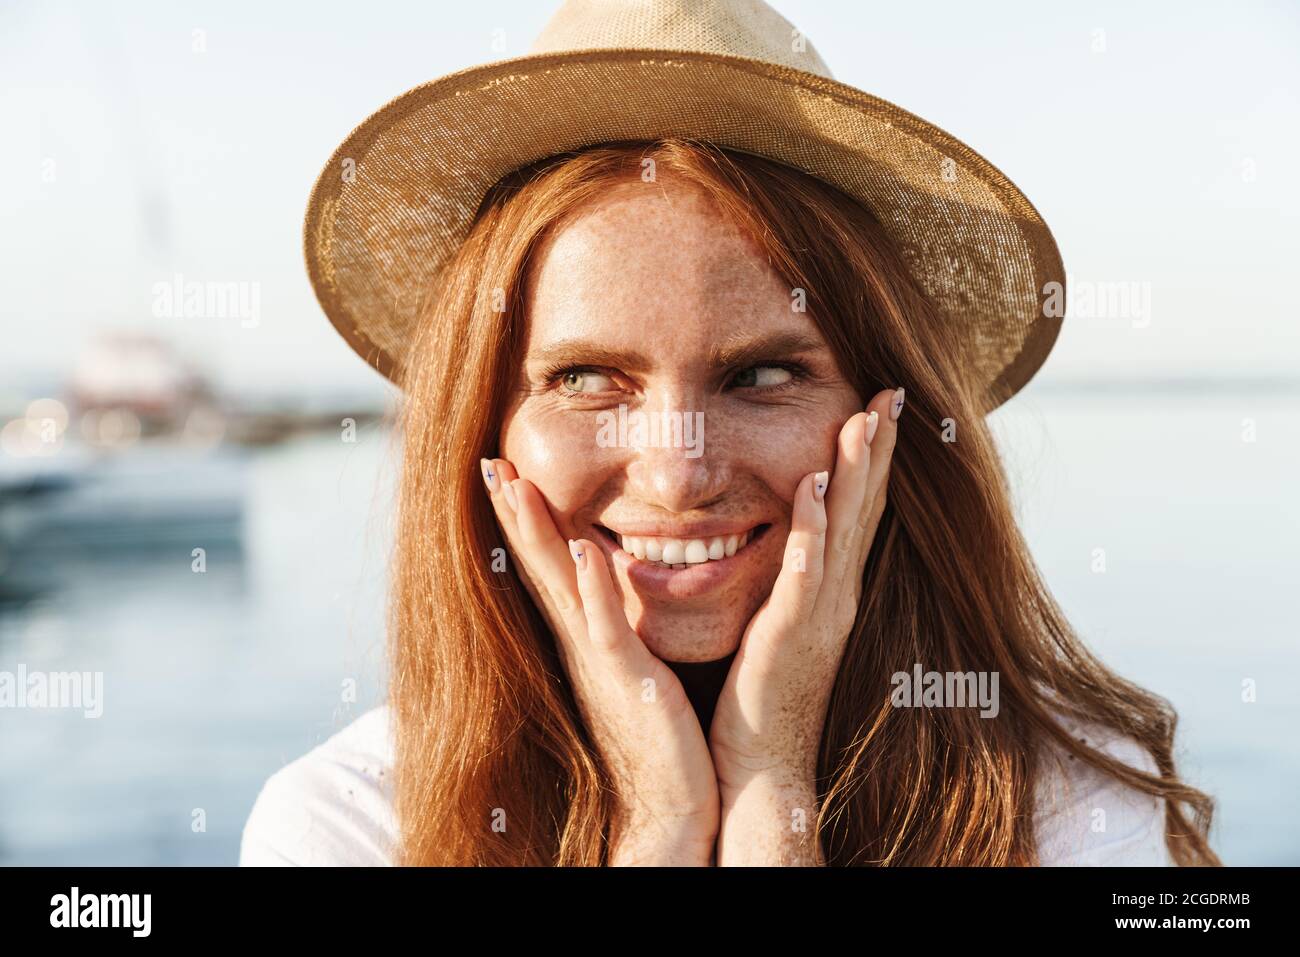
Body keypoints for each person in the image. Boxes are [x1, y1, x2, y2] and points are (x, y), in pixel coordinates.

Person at [242, 0, 1218, 866]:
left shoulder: (1080, 808)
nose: (676, 475)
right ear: (485, 432)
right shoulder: (344, 828)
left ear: (884, 420)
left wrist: (772, 799)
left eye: (760, 374)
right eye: (585, 379)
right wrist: (661, 830)